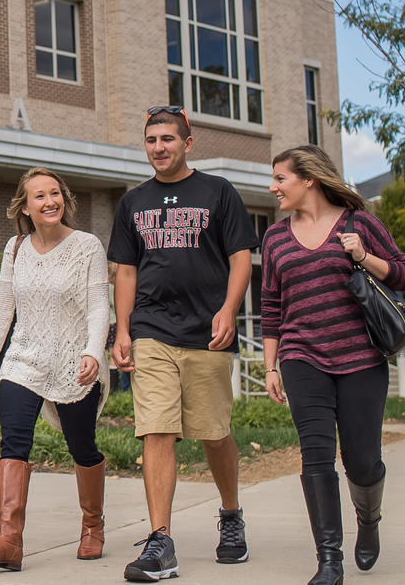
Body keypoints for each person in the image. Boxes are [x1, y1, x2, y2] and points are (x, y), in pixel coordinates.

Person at [109, 106, 259, 582]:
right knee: (156, 429)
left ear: (187, 143)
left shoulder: (218, 191)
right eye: (151, 140)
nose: (159, 148)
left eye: (168, 139)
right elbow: (127, 271)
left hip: (207, 333)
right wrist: (123, 329)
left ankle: (230, 515)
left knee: (214, 432)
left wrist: (229, 310)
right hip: (153, 329)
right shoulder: (133, 202)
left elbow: (241, 259)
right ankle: (160, 541)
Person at [261, 145, 405, 585]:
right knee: (316, 456)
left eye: (280, 179)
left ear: (308, 179)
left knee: (362, 462)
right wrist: (271, 366)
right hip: (301, 357)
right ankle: (329, 560)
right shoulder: (274, 238)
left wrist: (364, 256)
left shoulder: (358, 223)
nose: (274, 188)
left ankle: (368, 521)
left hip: (361, 359)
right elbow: (271, 305)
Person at [0, 167, 112, 571]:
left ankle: (92, 524)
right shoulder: (15, 248)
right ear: (25, 206)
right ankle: (9, 541)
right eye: (39, 196)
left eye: (55, 194)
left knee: (82, 447)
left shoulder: (86, 246)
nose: (50, 201)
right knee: (13, 443)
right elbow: (3, 308)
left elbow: (100, 304)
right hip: (22, 360)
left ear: (64, 200)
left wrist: (93, 352)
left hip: (74, 361)